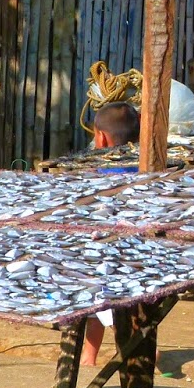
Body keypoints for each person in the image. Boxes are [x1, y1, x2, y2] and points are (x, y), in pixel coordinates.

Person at [82, 102, 140, 366]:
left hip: (104, 248)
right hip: (136, 249)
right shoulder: (144, 166)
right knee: (127, 304)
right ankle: (93, 357)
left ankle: (92, 357)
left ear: (100, 137)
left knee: (101, 303)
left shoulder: (97, 171)